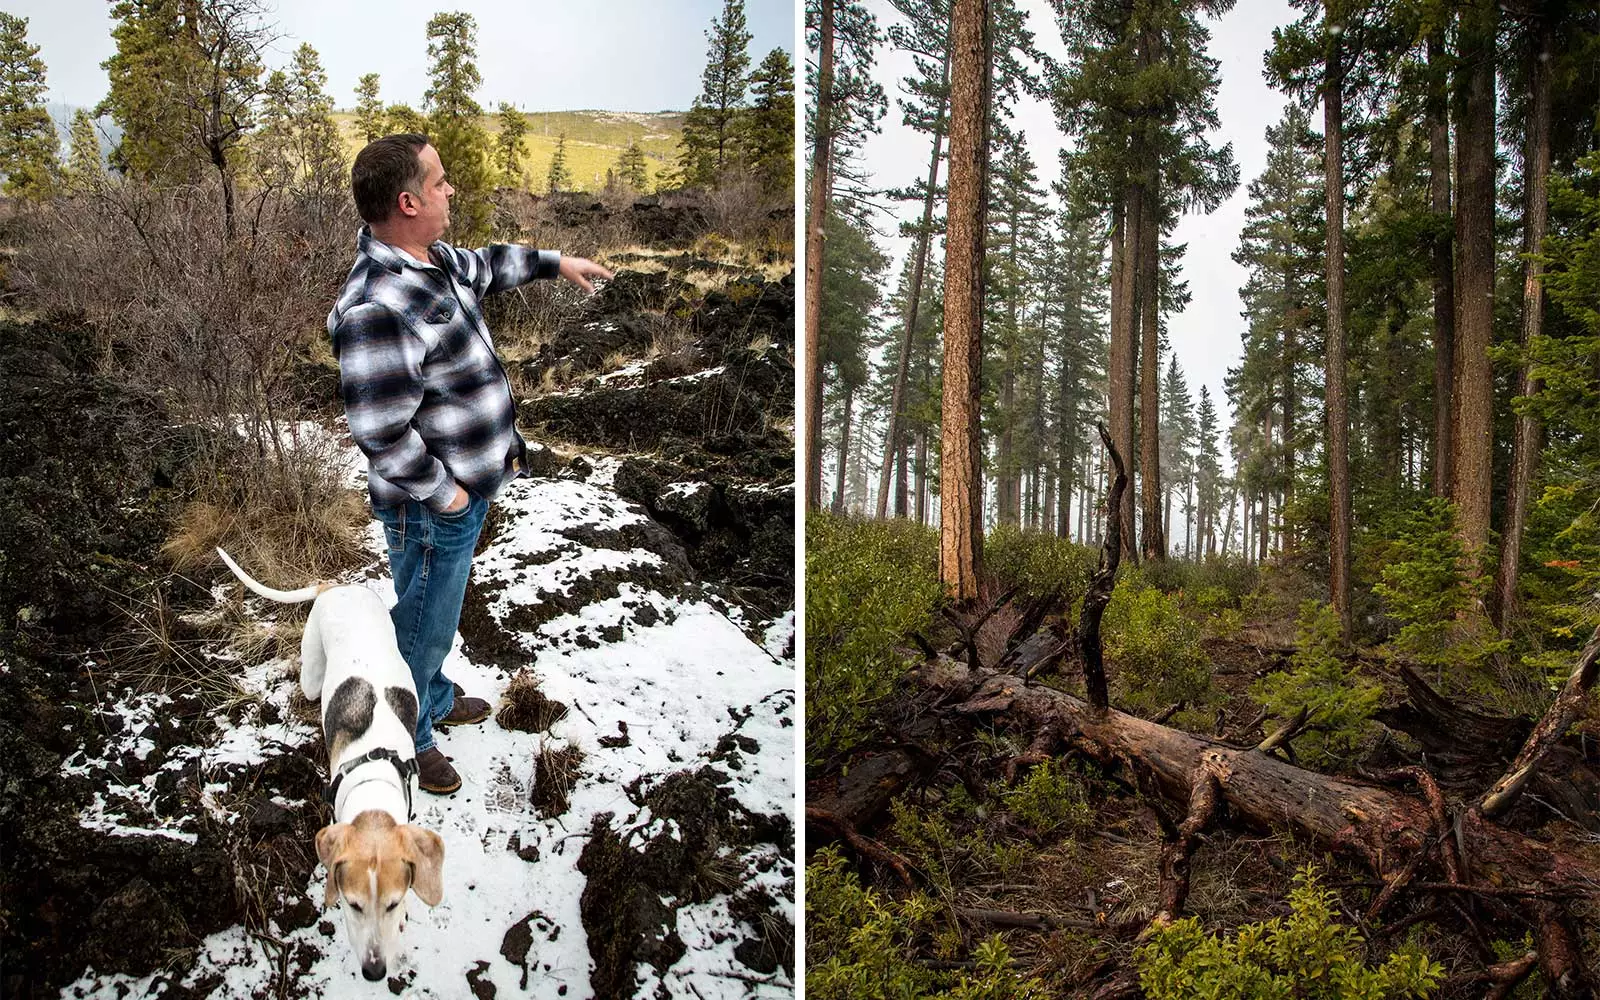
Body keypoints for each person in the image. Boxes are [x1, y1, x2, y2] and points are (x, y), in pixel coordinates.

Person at [328, 133, 613, 794]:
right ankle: (410, 731)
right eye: (439, 181)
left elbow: (486, 265)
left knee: (440, 614)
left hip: (467, 488)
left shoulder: (433, 260)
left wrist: (553, 262)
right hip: (432, 507)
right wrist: (445, 495)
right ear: (407, 200)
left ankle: (433, 692)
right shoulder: (377, 306)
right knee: (423, 624)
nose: (449, 190)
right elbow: (380, 432)